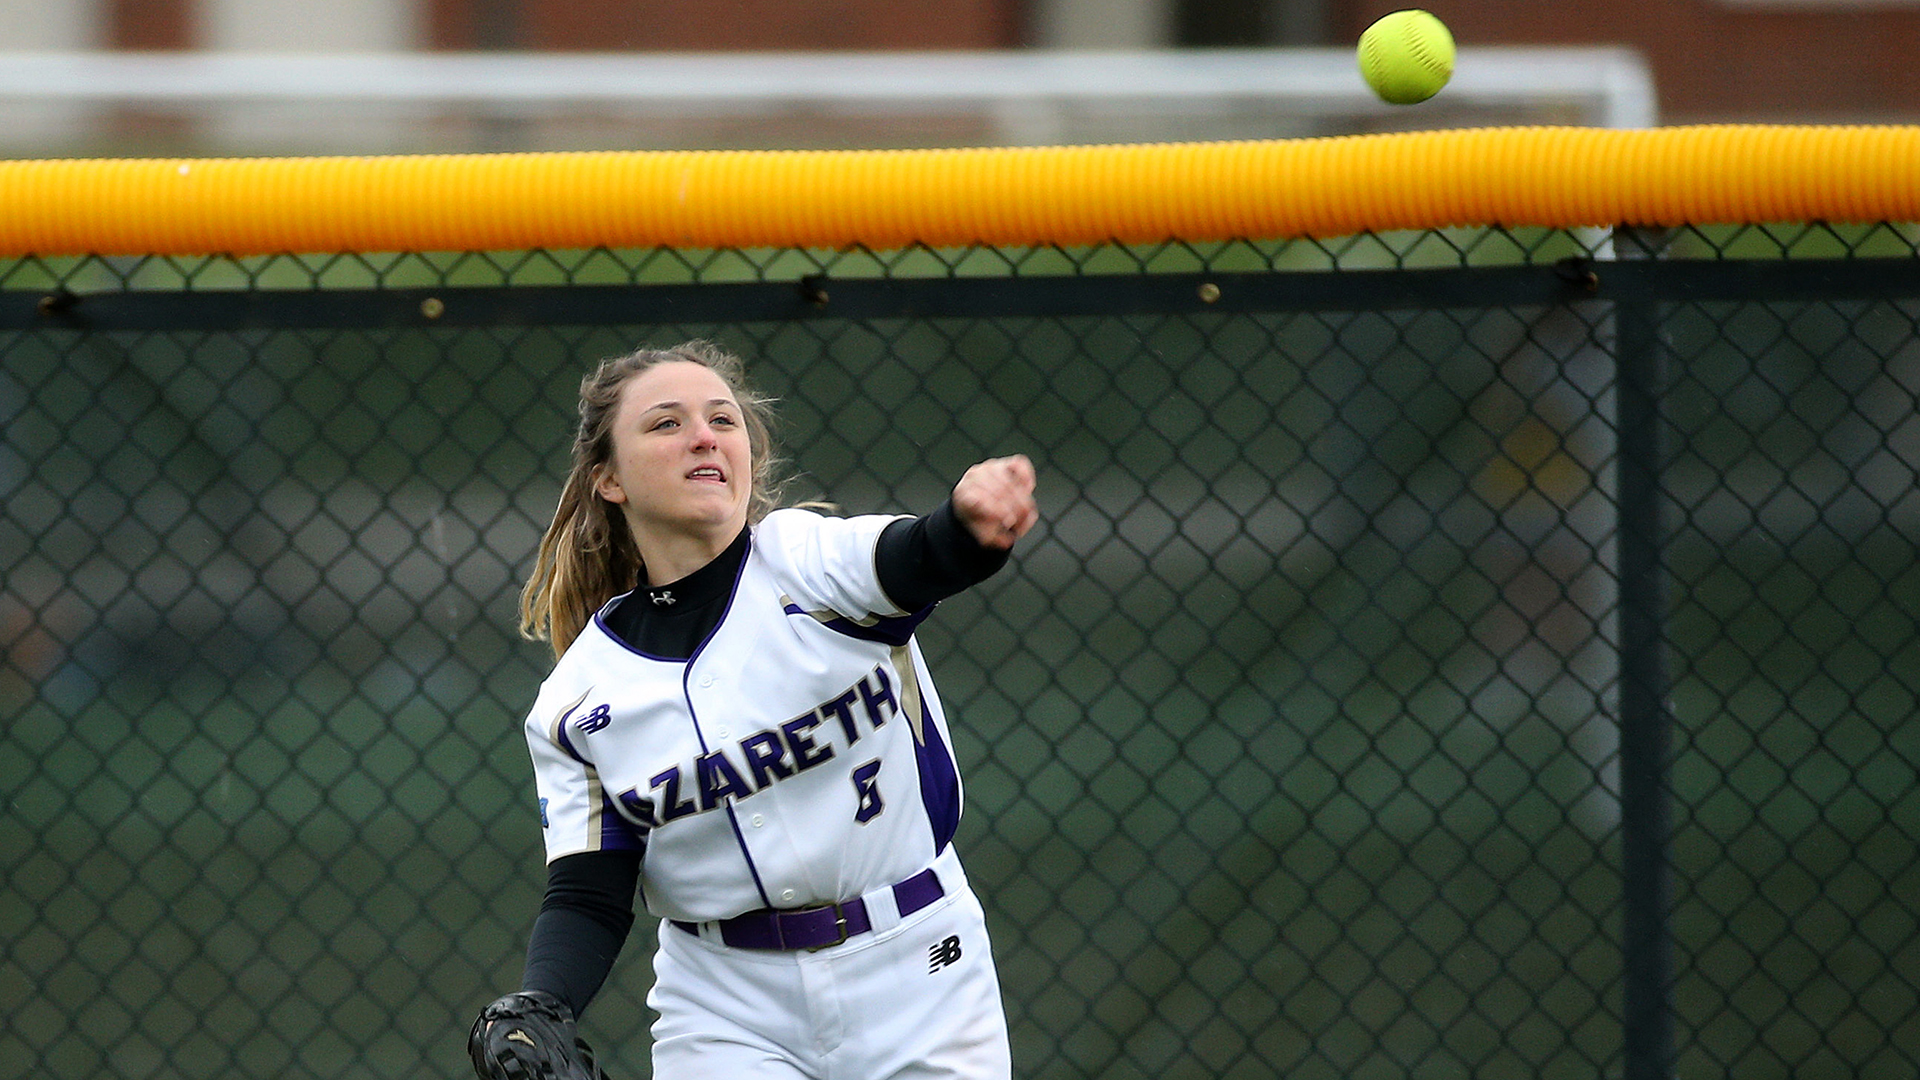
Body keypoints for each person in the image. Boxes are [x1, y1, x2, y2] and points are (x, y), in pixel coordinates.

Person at [470, 340, 1036, 1080]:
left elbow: (916, 556)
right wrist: (541, 1003)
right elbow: (589, 893)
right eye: (666, 424)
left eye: (722, 420)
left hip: (920, 968)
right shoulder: (577, 701)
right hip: (727, 1005)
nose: (704, 435)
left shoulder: (805, 563)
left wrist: (965, 527)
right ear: (608, 478)